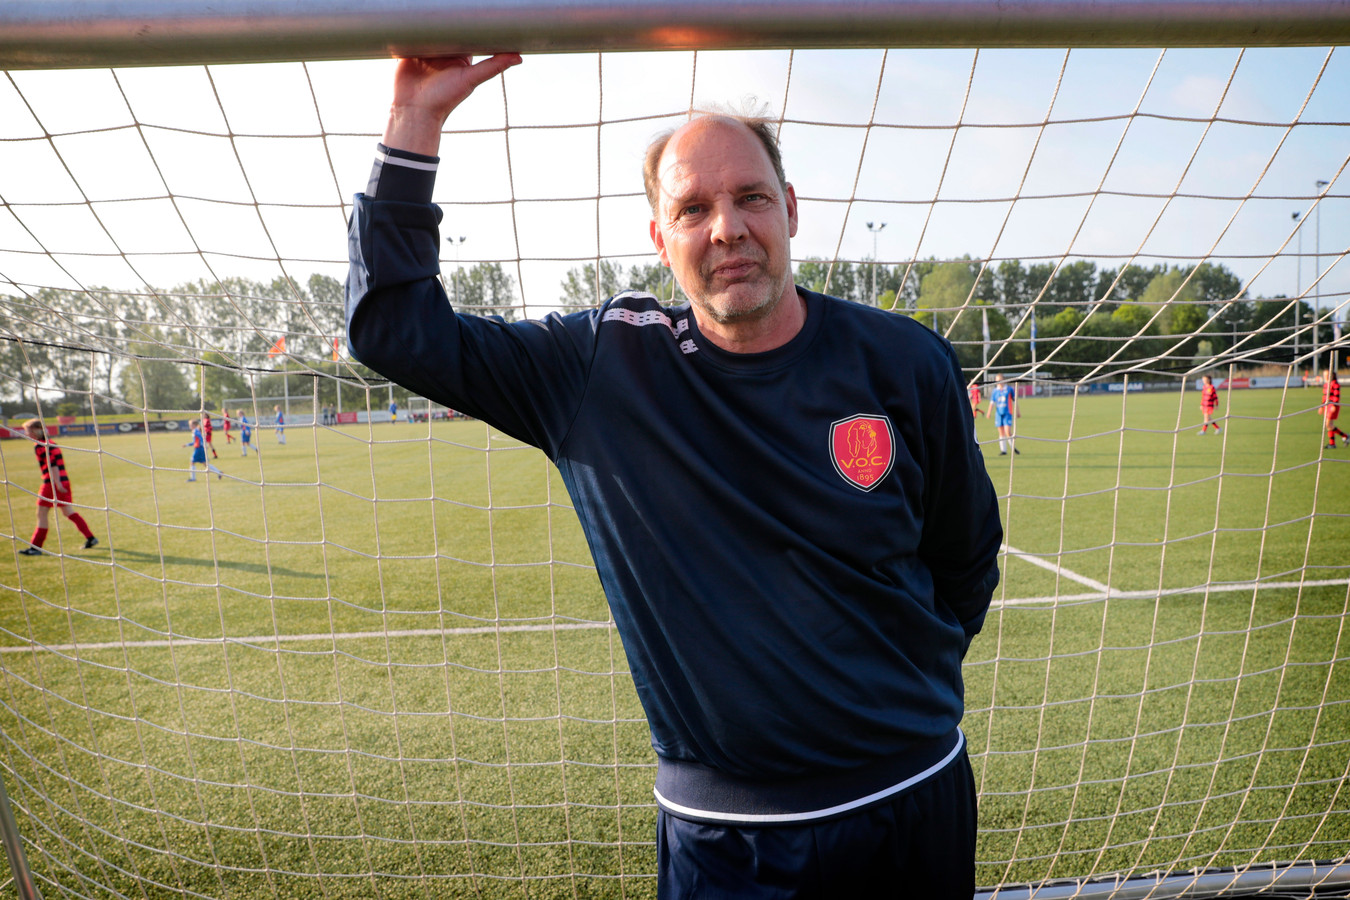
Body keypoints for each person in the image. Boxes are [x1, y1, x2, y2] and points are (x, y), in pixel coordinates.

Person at [345, 53, 1002, 899]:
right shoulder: (596, 366)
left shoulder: (903, 358)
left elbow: (966, 559)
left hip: (912, 800)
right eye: (693, 208)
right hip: (729, 841)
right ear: (661, 239)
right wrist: (415, 125)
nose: (726, 227)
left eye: (750, 197)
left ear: (791, 210)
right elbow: (392, 329)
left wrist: (890, 698)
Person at [18, 418, 98, 555]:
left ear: (36, 431)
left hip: (53, 483)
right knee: (68, 511)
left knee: (41, 513)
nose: (26, 434)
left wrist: (58, 483)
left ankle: (36, 547)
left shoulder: (41, 446)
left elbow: (52, 465)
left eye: (28, 431)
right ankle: (90, 537)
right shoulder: (52, 443)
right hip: (62, 481)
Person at [987, 372, 1020, 455]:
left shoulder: (1009, 389)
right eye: (996, 381)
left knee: (1008, 431)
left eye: (999, 380)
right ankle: (1003, 450)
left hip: (1007, 413)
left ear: (1004, 380)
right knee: (1001, 432)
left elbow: (1015, 401)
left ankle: (1013, 448)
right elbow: (992, 403)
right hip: (998, 414)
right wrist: (989, 412)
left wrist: (1018, 411)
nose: (998, 382)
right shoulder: (995, 391)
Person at [1324, 370, 1347, 449]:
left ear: (1332, 375)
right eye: (1325, 375)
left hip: (1333, 405)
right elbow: (1325, 396)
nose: (1325, 376)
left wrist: (1334, 405)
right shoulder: (1326, 384)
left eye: (1327, 375)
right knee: (1329, 425)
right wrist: (1321, 406)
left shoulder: (1335, 384)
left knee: (1328, 424)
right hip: (1328, 406)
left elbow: (1337, 395)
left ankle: (1345, 436)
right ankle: (1332, 443)